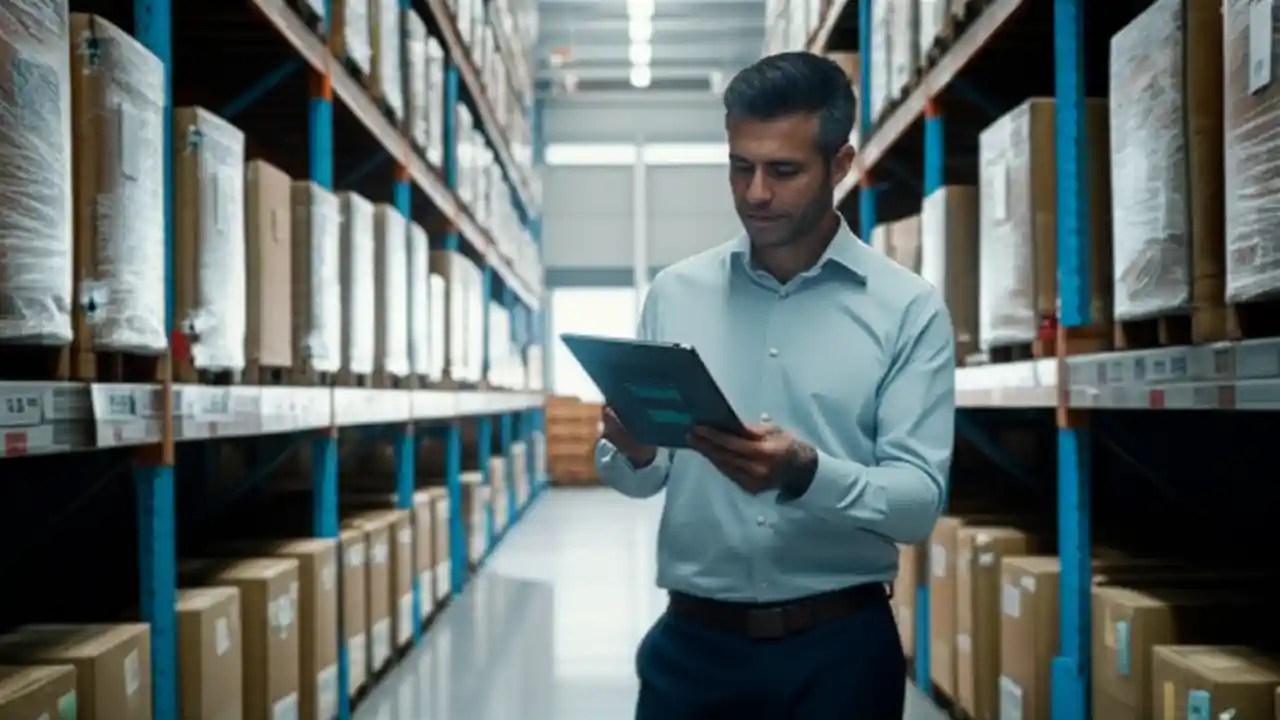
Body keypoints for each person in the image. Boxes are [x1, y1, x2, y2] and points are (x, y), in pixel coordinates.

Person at [595, 51, 956, 719]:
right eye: (740, 166)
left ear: (840, 166)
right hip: (692, 649)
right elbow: (642, 478)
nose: (756, 192)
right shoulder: (676, 294)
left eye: (783, 171)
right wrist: (636, 450)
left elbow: (915, 504)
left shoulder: (907, 309)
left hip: (840, 654)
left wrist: (805, 470)